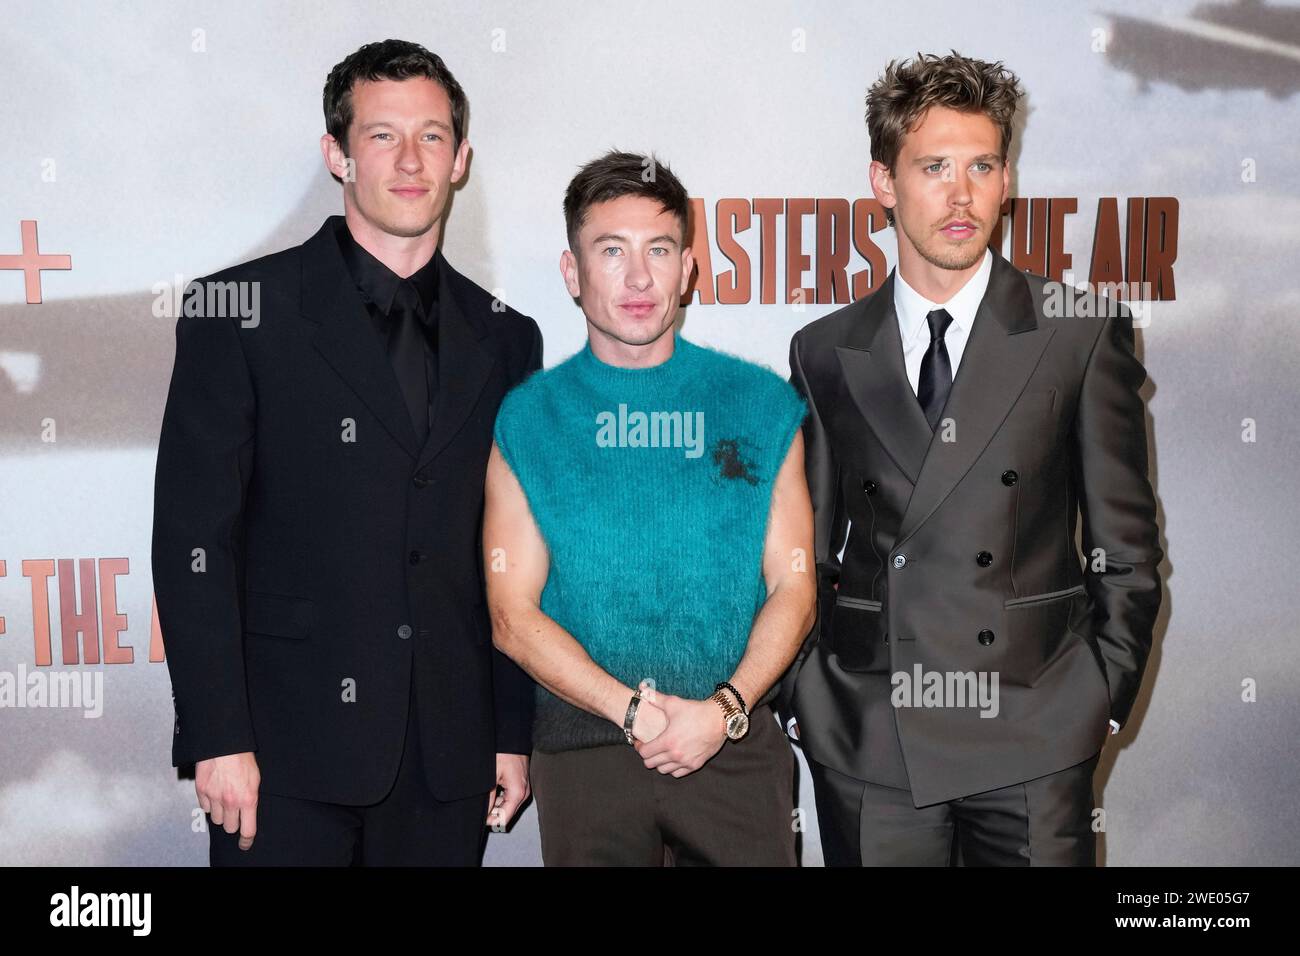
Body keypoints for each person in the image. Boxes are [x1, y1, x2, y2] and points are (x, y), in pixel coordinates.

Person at [152, 38, 540, 865]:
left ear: (461, 160)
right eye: (382, 135)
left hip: (447, 754)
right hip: (280, 754)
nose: (411, 160)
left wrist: (510, 730)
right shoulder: (239, 312)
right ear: (338, 154)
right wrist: (218, 736)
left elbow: (511, 555)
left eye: (432, 136)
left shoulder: (508, 339)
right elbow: (193, 542)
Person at [777, 51, 1163, 865]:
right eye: (935, 168)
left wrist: (1098, 701)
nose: (962, 195)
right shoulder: (824, 350)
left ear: (1007, 178)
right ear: (883, 182)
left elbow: (1126, 550)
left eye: (982, 166)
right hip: (874, 742)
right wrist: (806, 697)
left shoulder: (1079, 332)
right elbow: (800, 556)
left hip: (1034, 733)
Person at [483, 151, 815, 865]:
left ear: (688, 269)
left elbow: (794, 586)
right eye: (612, 251)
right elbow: (511, 615)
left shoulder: (760, 404)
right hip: (584, 753)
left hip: (735, 747)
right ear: (572, 273)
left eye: (659, 250)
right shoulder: (529, 420)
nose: (638, 277)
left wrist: (723, 710)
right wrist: (633, 711)